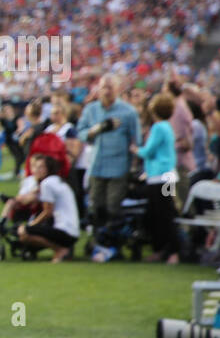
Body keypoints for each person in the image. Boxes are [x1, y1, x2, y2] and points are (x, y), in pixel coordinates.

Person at [76, 74, 140, 245]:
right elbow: (80, 133)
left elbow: (136, 140)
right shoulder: (91, 110)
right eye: (103, 87)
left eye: (110, 87)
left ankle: (113, 242)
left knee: (113, 206)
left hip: (118, 166)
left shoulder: (128, 112)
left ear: (118, 89)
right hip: (96, 165)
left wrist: (134, 164)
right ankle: (98, 240)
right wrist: (95, 130)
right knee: (96, 206)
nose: (106, 91)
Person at [138, 93, 180, 264]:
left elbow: (148, 151)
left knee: (162, 214)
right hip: (169, 174)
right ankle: (165, 250)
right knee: (163, 212)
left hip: (159, 176)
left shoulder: (158, 128)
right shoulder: (168, 127)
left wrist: (135, 149)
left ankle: (171, 251)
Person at [17, 155, 80, 263]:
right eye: (35, 167)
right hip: (73, 231)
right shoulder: (58, 181)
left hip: (64, 231)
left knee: (24, 231)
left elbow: (48, 212)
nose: (36, 170)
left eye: (41, 167)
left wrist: (32, 225)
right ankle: (62, 249)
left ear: (49, 169)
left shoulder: (47, 184)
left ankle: (60, 250)